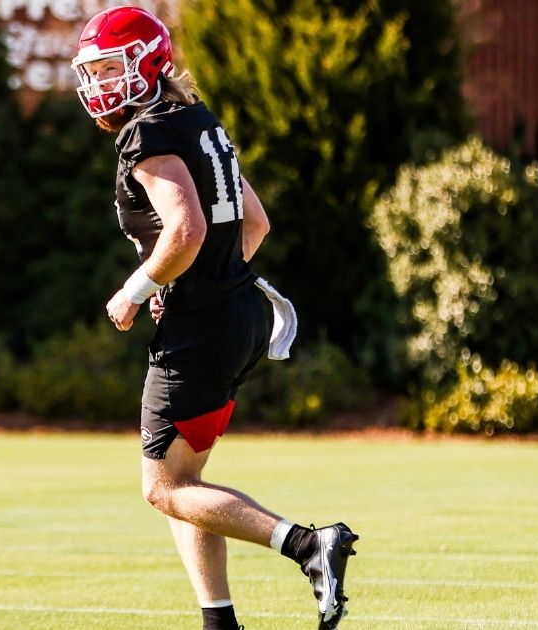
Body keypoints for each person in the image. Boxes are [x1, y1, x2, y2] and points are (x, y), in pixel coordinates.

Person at [70, 7, 359, 630]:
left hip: (202, 328)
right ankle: (218, 621)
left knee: (163, 488)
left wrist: (138, 286)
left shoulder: (147, 134)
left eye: (108, 68)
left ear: (146, 63)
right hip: (238, 312)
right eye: (91, 71)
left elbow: (187, 228)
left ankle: (310, 546)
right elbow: (254, 224)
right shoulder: (198, 122)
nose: (98, 84)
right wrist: (202, 277)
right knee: (186, 481)